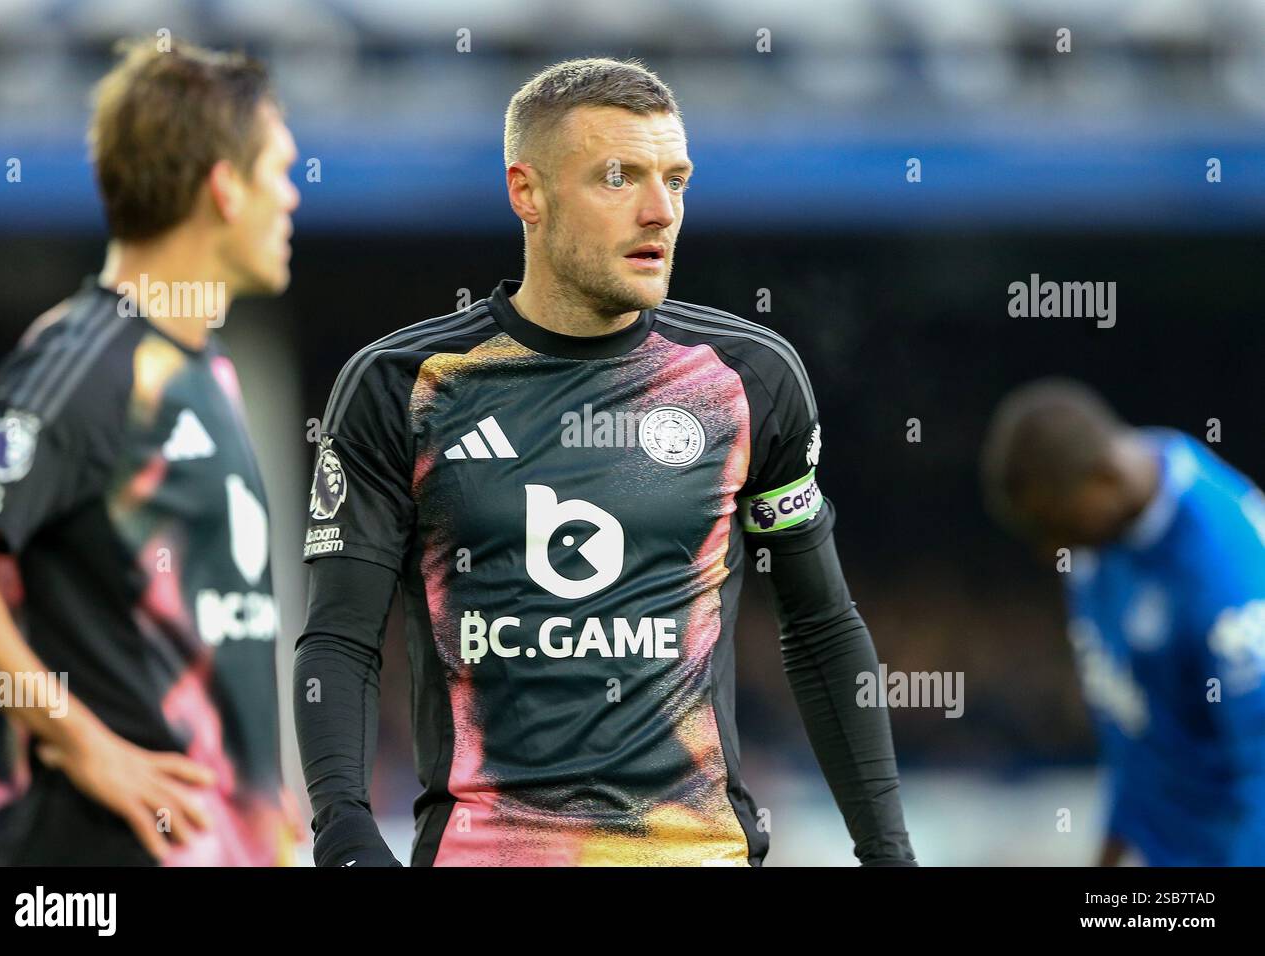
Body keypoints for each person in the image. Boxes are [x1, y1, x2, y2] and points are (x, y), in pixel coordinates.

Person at [295, 57, 914, 866]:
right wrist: (342, 829)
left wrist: (888, 853)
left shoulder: (747, 380)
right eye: (620, 179)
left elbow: (822, 627)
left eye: (678, 180)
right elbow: (340, 638)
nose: (661, 212)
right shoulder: (405, 387)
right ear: (529, 192)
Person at [0, 37, 303, 865]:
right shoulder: (88, 361)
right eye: (279, 173)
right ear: (225, 187)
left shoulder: (205, 368)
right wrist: (85, 744)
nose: (293, 198)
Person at [982, 378, 1265, 865]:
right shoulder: (1103, 537)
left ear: (1105, 480)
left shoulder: (1227, 573)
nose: (1052, 551)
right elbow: (1137, 738)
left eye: (1056, 525)